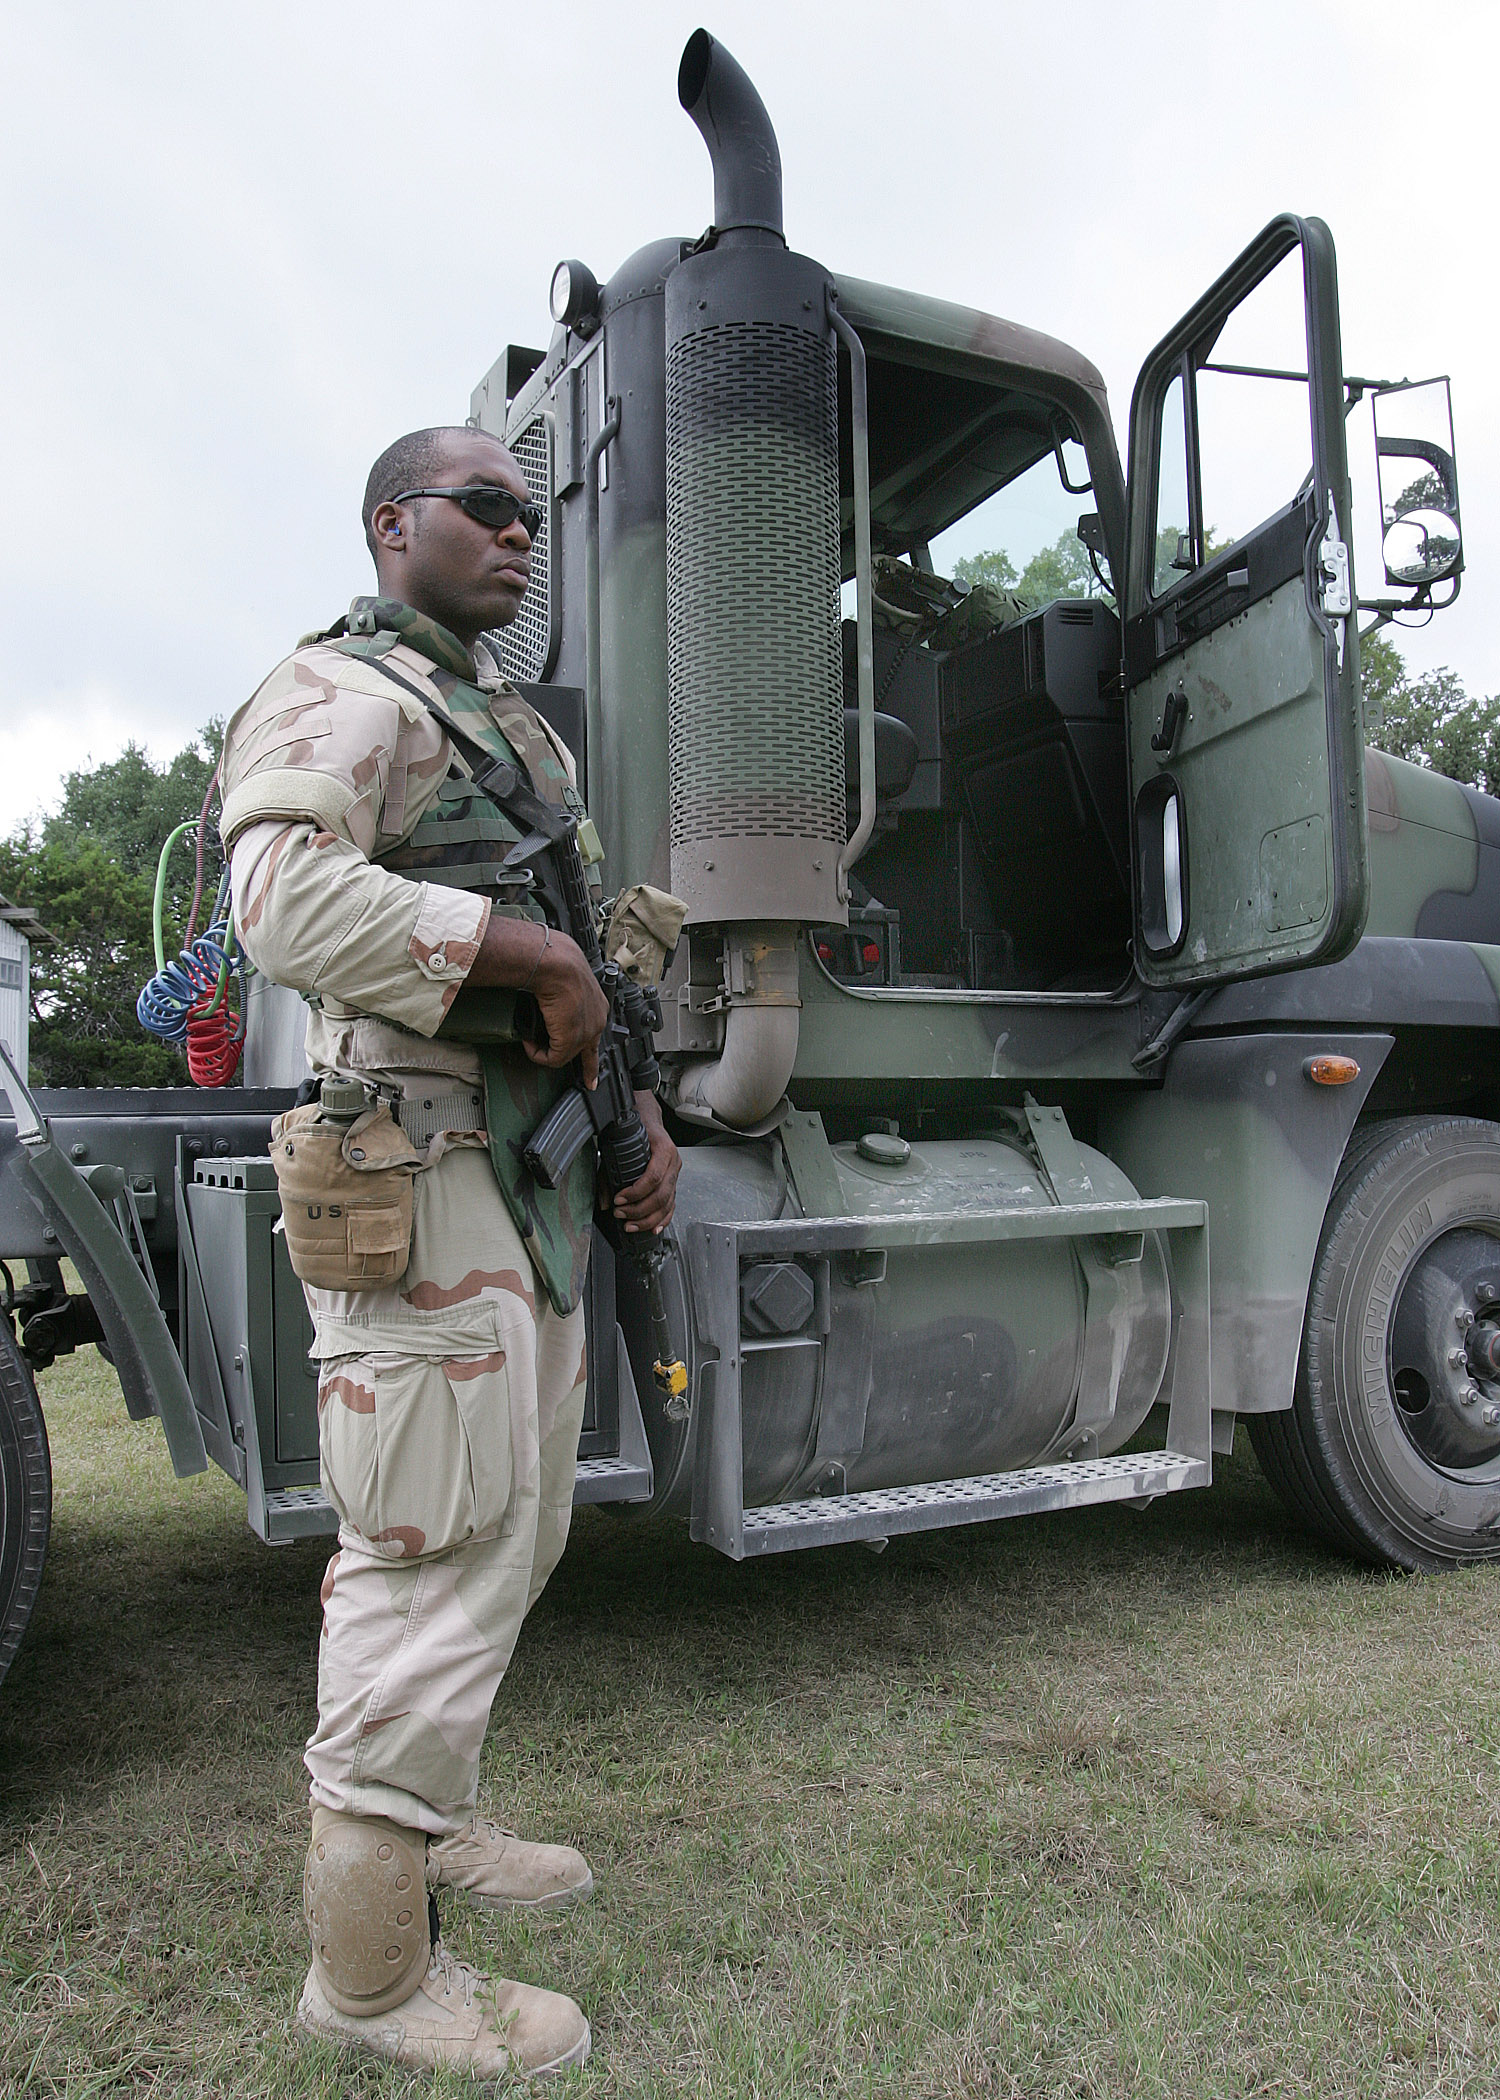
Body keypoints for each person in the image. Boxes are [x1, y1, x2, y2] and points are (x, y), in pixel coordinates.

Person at [220, 424, 680, 2080]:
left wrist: (632, 1106)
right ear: (389, 523)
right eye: (482, 508)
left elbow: (577, 958)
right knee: (428, 1552)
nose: (515, 535)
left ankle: (441, 1824)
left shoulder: (494, 725)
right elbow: (278, 903)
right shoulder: (347, 692)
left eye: (524, 513)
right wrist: (521, 950)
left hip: (524, 1183)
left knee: (518, 1526)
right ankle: (369, 1982)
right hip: (424, 1177)